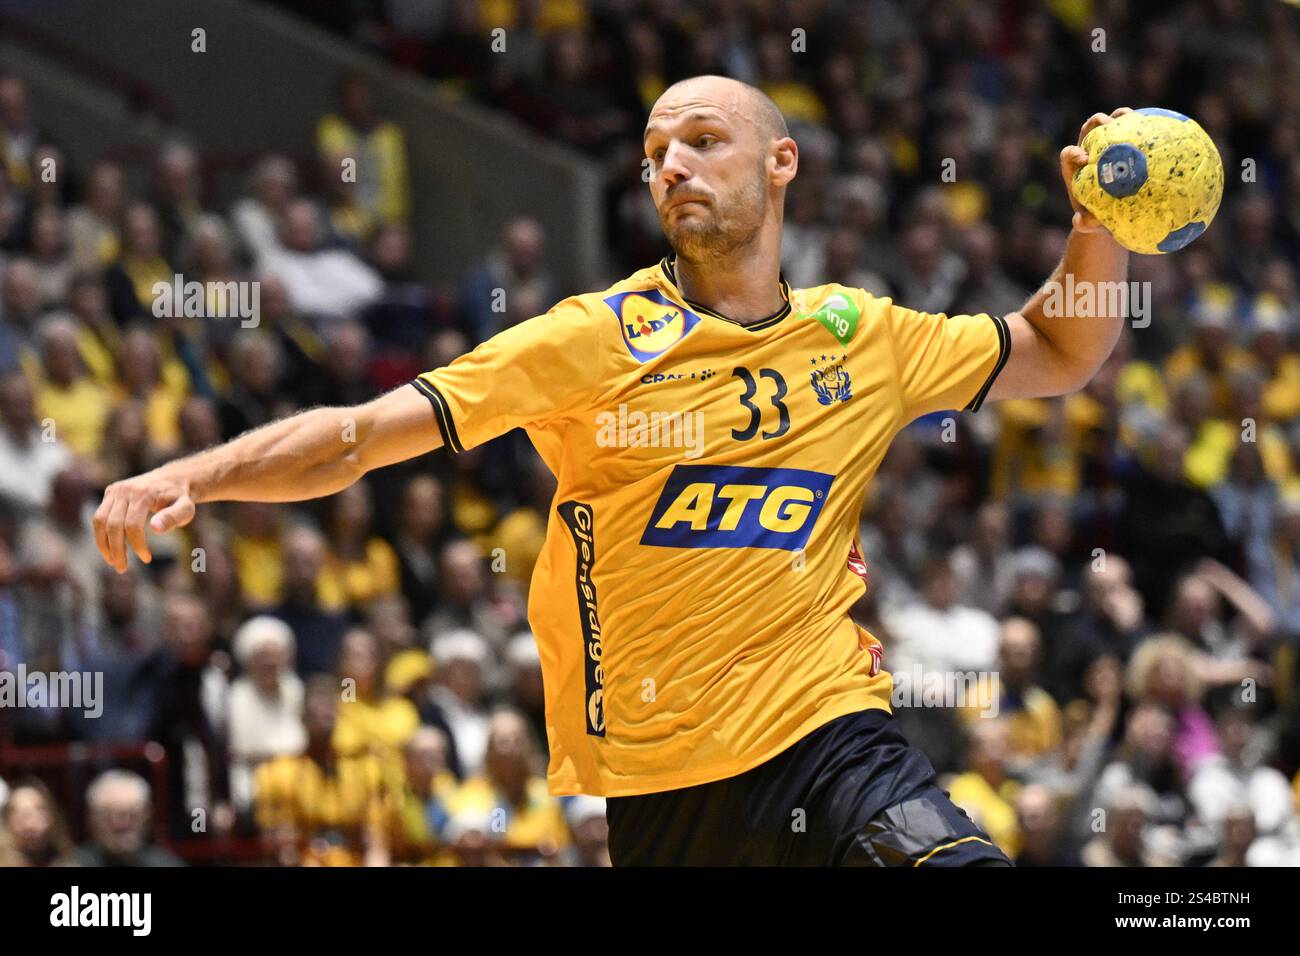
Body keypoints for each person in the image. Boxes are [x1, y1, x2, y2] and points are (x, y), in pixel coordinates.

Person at [94, 77, 1134, 866]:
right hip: (660, 778)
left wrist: (1095, 224)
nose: (671, 163)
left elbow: (1057, 349)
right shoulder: (590, 340)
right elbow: (365, 434)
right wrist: (197, 471)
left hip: (827, 727)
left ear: (781, 163)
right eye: (654, 151)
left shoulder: (858, 333)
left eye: (702, 140)